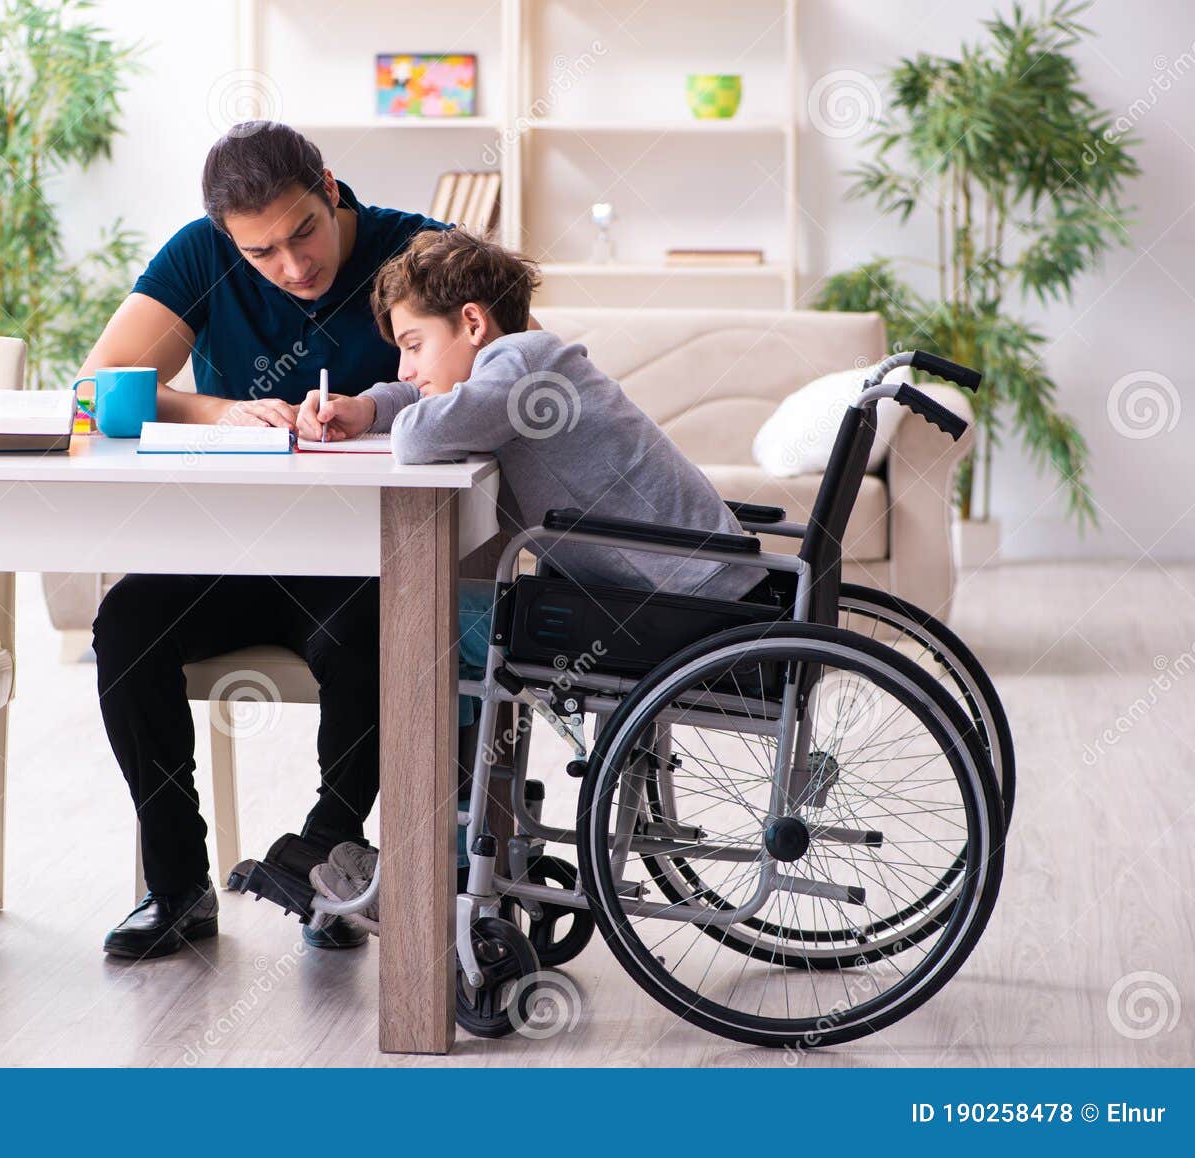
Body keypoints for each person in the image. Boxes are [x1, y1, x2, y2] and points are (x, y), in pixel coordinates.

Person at [298, 230, 771, 913]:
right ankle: (462, 852)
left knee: (418, 617)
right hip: (690, 589)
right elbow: (429, 404)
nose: (405, 369)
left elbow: (422, 434)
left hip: (676, 609)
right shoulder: (524, 361)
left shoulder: (522, 364)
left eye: (411, 345)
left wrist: (389, 417)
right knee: (453, 614)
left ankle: (436, 863)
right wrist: (365, 407)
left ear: (471, 321)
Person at [82, 122, 445, 960]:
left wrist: (378, 405)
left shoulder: (418, 250)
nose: (292, 267)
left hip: (363, 559)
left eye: (303, 233)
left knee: (372, 635)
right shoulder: (200, 255)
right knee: (125, 628)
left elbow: (494, 373)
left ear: (328, 185)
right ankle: (176, 888)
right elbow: (105, 382)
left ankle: (329, 863)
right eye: (260, 253)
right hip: (236, 548)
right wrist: (220, 410)